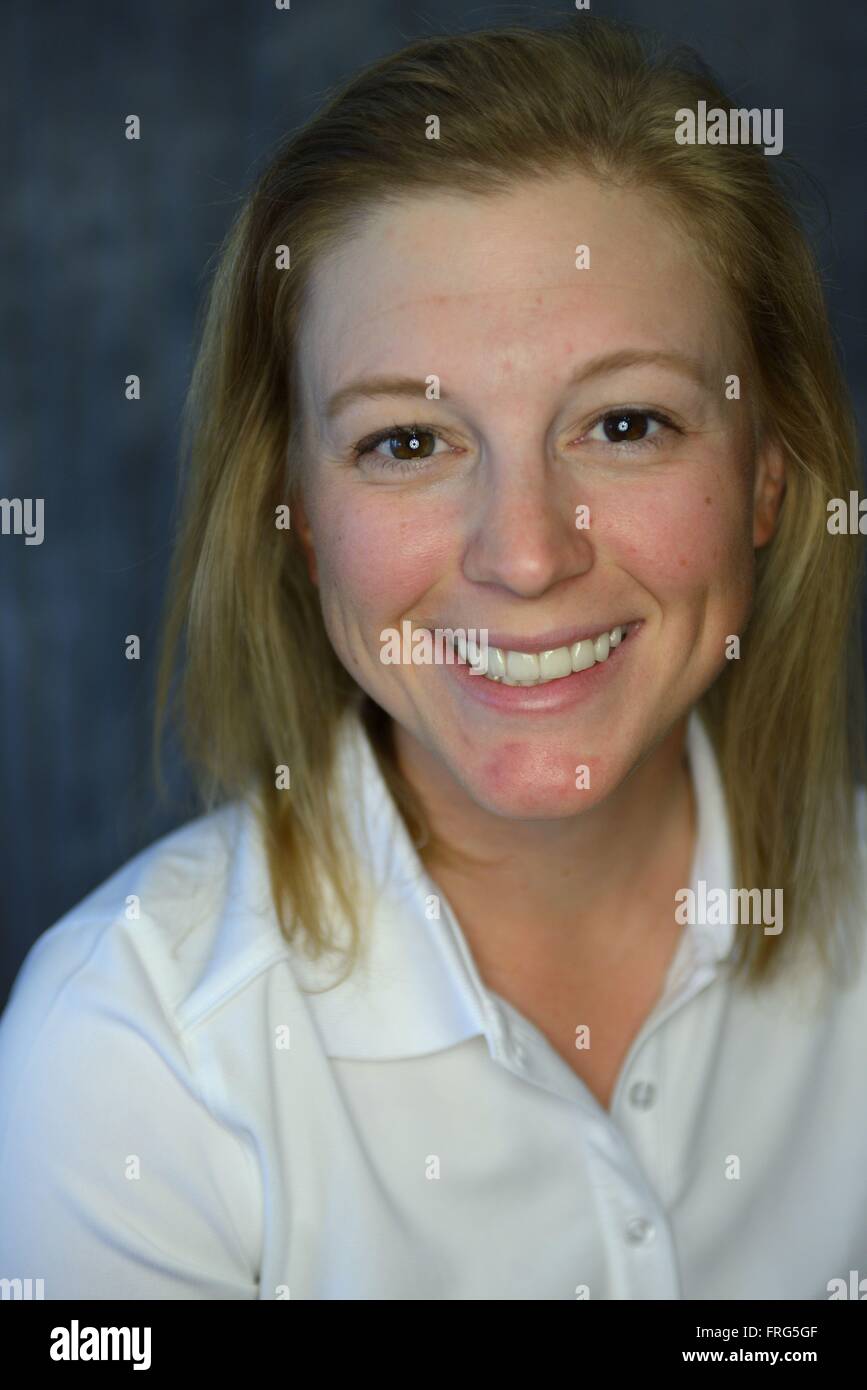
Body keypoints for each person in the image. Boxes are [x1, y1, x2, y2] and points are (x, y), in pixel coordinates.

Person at [1, 14, 865, 1301]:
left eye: (626, 423)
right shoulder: (127, 1055)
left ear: (768, 482)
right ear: (293, 519)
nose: (523, 554)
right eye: (407, 441)